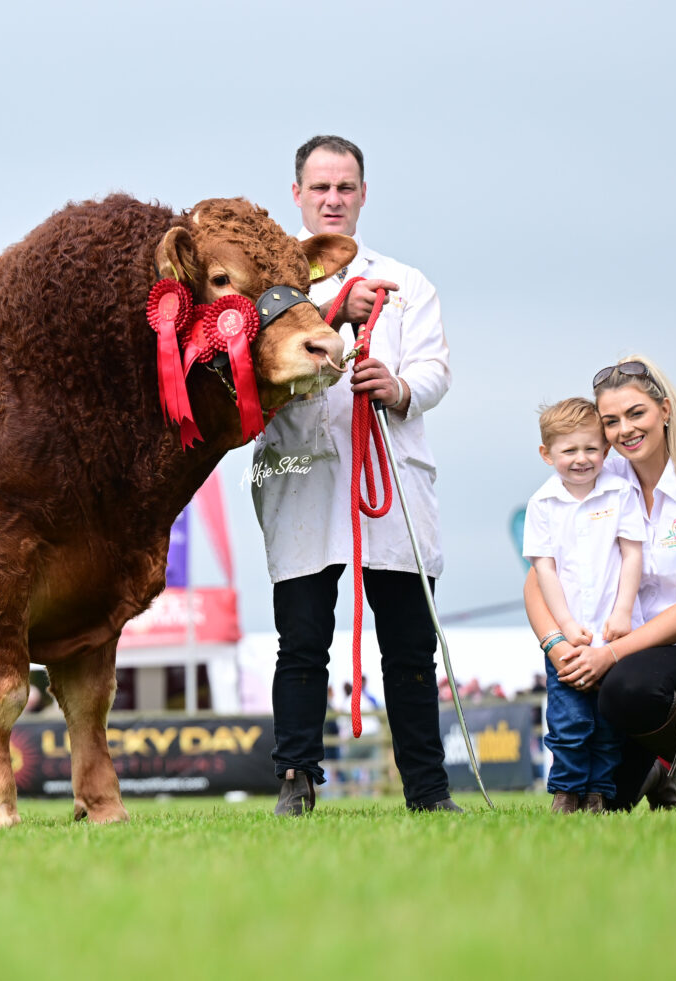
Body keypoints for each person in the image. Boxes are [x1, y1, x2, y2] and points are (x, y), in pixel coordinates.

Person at [252, 134, 458, 815]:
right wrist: (334, 316)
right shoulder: (264, 284)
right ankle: (296, 781)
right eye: (320, 188)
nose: (333, 199)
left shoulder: (407, 280)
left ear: (363, 193)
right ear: (297, 194)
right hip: (300, 467)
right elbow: (251, 368)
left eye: (345, 187)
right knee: (304, 637)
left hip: (388, 471)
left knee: (408, 644)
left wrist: (396, 386)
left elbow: (435, 370)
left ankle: (428, 791)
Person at [525, 355, 676, 810]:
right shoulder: (603, 477)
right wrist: (557, 645)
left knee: (628, 684)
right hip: (631, 666)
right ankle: (660, 772)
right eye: (611, 421)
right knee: (603, 803)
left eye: (636, 413)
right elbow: (539, 578)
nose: (625, 430)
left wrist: (610, 653)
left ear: (665, 410)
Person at [522, 397, 645, 814]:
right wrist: (566, 625)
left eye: (591, 449)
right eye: (569, 450)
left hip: (612, 633)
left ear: (606, 451)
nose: (581, 459)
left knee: (608, 723)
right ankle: (566, 792)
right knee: (569, 721)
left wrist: (623, 612)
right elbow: (545, 570)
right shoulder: (542, 505)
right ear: (547, 454)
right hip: (573, 637)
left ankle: (600, 793)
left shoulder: (620, 493)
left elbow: (632, 555)